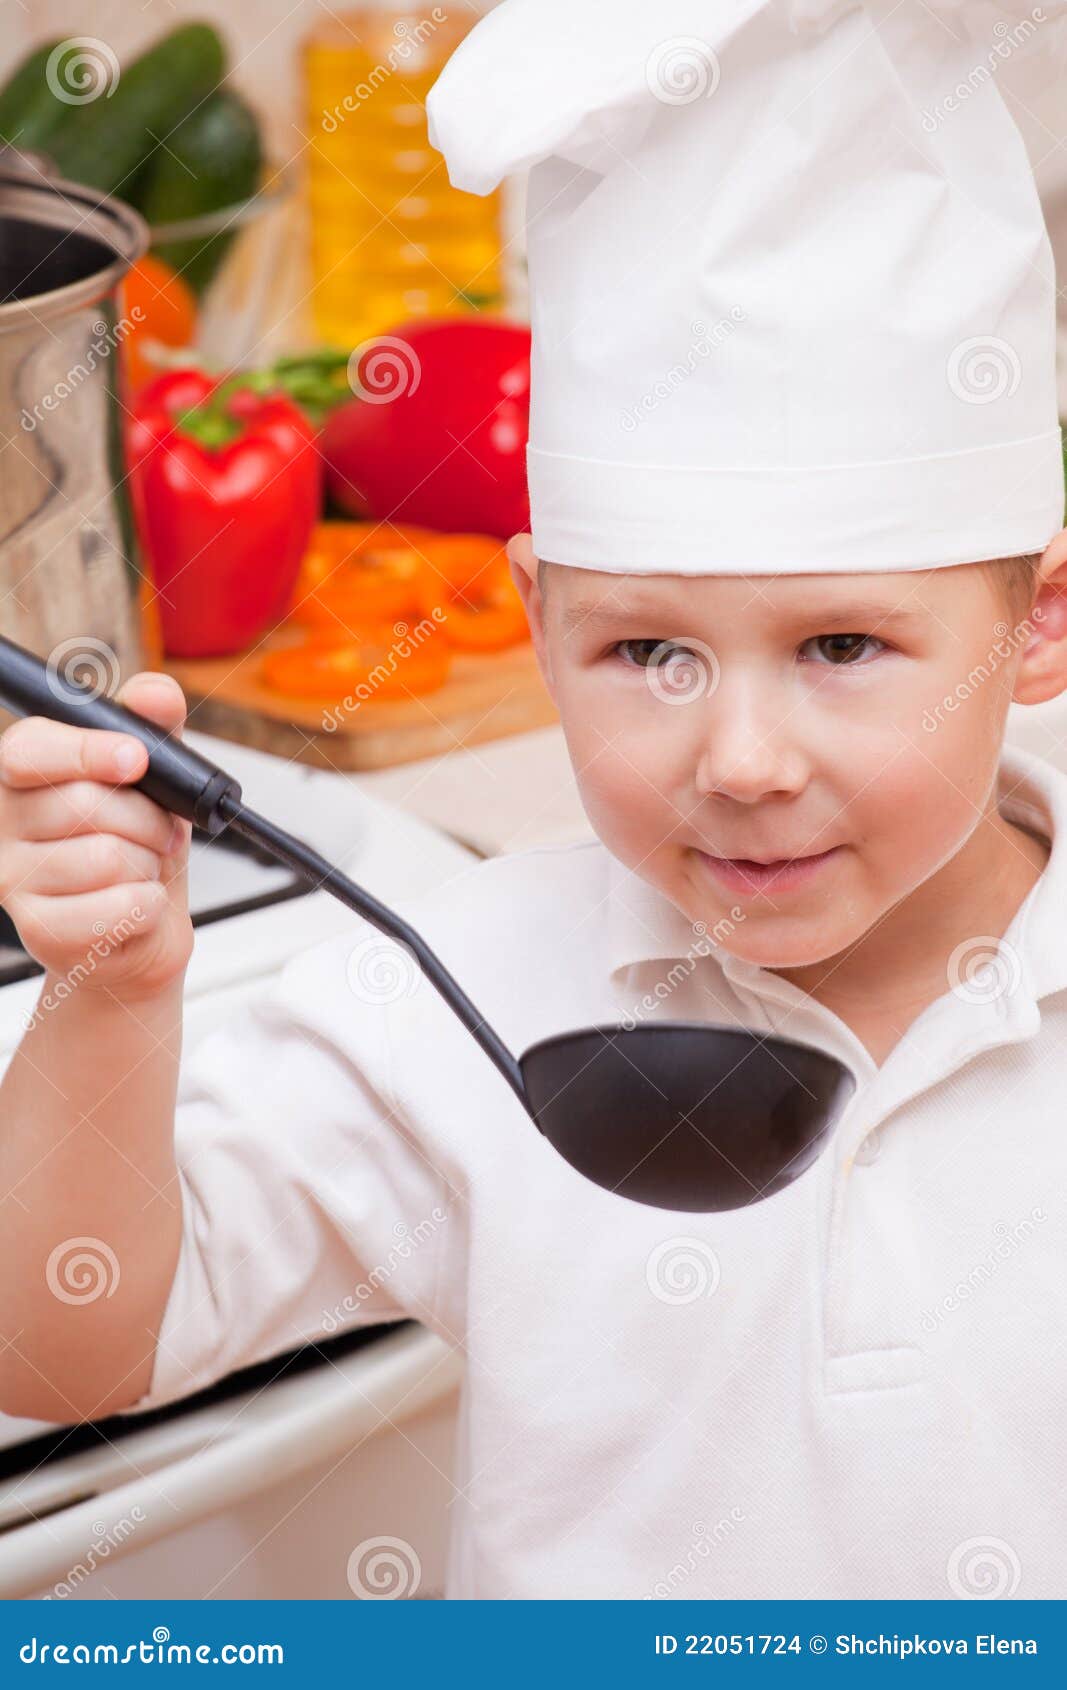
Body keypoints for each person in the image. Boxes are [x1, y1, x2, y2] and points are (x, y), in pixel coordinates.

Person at [1, 0, 1066, 1599]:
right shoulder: (459, 991)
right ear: (536, 617)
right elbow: (67, 1347)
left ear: (1039, 623)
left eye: (842, 644)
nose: (743, 759)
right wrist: (109, 998)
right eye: (645, 648)